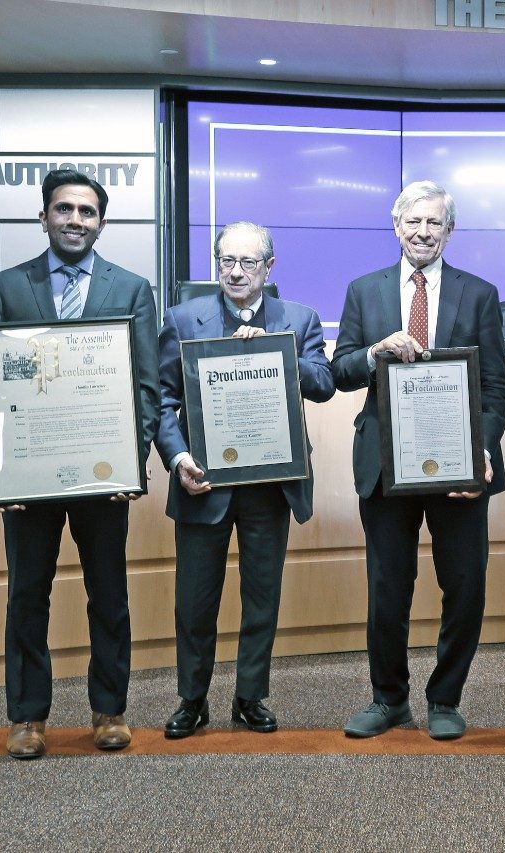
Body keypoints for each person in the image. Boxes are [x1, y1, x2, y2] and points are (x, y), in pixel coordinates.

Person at [0, 169, 160, 759]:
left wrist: (132, 461)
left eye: (87, 211)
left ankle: (109, 709)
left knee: (109, 595)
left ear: (101, 222)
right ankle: (27, 716)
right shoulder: (9, 285)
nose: (75, 220)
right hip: (30, 475)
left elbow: (146, 386)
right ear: (44, 217)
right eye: (64, 209)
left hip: (104, 476)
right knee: (28, 595)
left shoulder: (132, 289)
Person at [332, 181, 505, 741]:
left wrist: (481, 450)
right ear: (396, 226)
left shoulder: (478, 294)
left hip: (458, 465)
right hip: (386, 464)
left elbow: (496, 387)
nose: (423, 232)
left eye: (434, 223)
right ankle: (388, 699)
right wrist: (372, 353)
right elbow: (339, 371)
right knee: (388, 588)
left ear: (449, 232)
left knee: (465, 586)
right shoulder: (363, 290)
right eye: (413, 221)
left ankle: (445, 698)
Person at [155, 221, 335, 738]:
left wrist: (281, 351)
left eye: (248, 262)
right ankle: (192, 699)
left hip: (270, 486)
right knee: (194, 602)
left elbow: (323, 383)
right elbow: (163, 400)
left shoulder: (298, 319)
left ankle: (250, 696)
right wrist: (178, 458)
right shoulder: (183, 319)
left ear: (268, 268)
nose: (235, 272)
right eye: (226, 261)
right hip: (204, 482)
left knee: (261, 598)